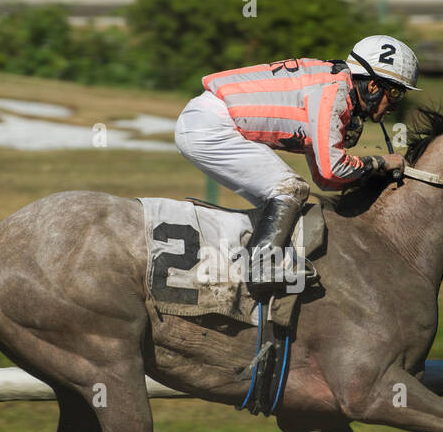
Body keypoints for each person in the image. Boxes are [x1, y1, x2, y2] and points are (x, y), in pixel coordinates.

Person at [174, 35, 419, 296]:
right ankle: (261, 269)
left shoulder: (333, 86)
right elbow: (333, 170)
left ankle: (251, 261)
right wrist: (380, 163)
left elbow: (325, 180)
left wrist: (369, 171)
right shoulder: (334, 93)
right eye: (395, 92)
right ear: (372, 86)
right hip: (210, 125)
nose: (396, 103)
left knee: (288, 197)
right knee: (290, 188)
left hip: (208, 121)